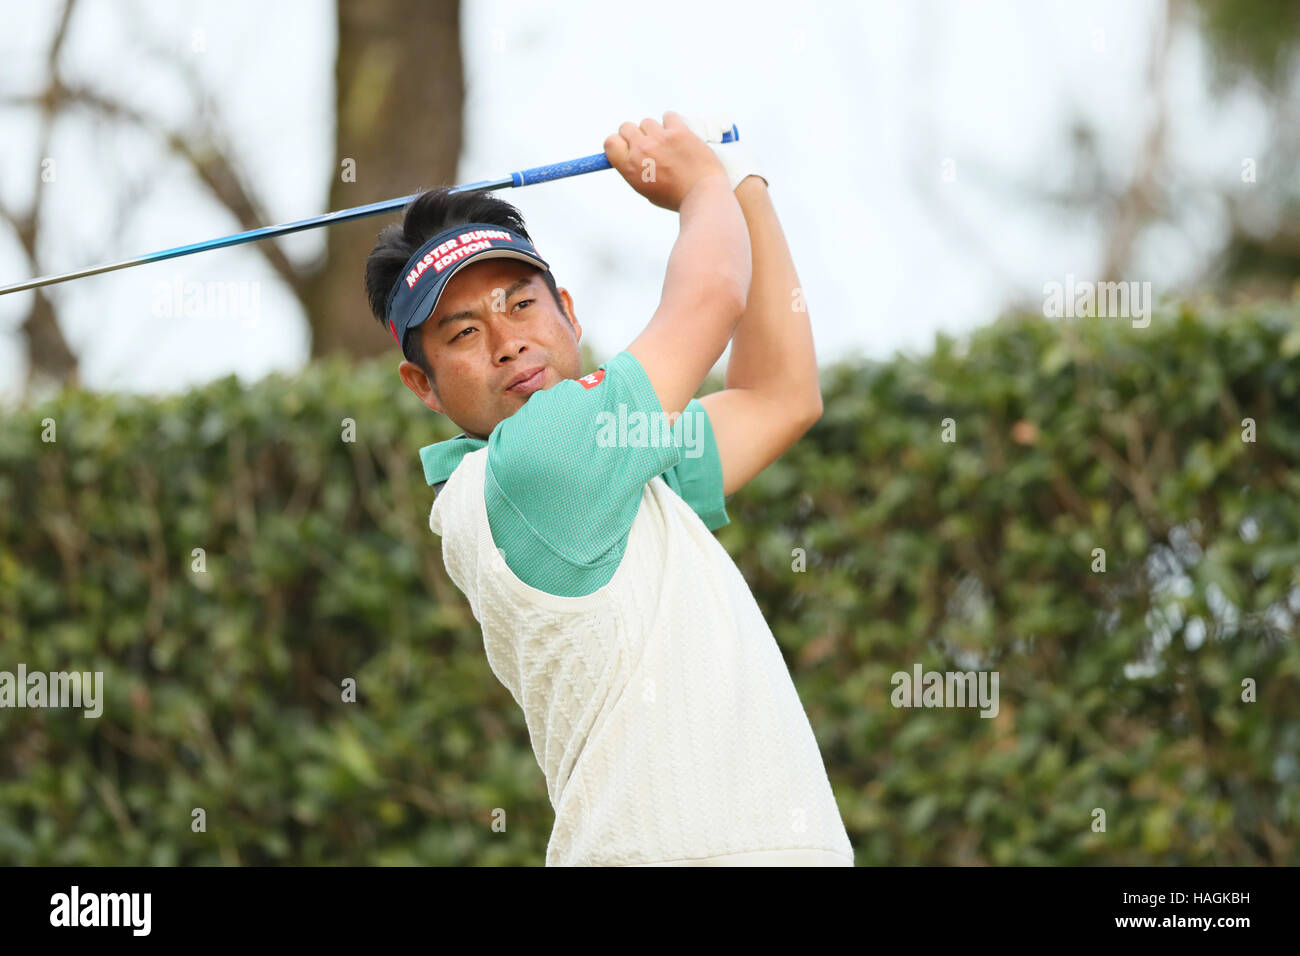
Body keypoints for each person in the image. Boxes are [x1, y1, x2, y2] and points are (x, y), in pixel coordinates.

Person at [363, 111, 852, 866]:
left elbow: (780, 395)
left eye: (522, 304)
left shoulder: (614, 467)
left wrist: (744, 188)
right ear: (420, 385)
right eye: (463, 334)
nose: (508, 342)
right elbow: (713, 294)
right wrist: (700, 190)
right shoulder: (539, 463)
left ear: (568, 313)